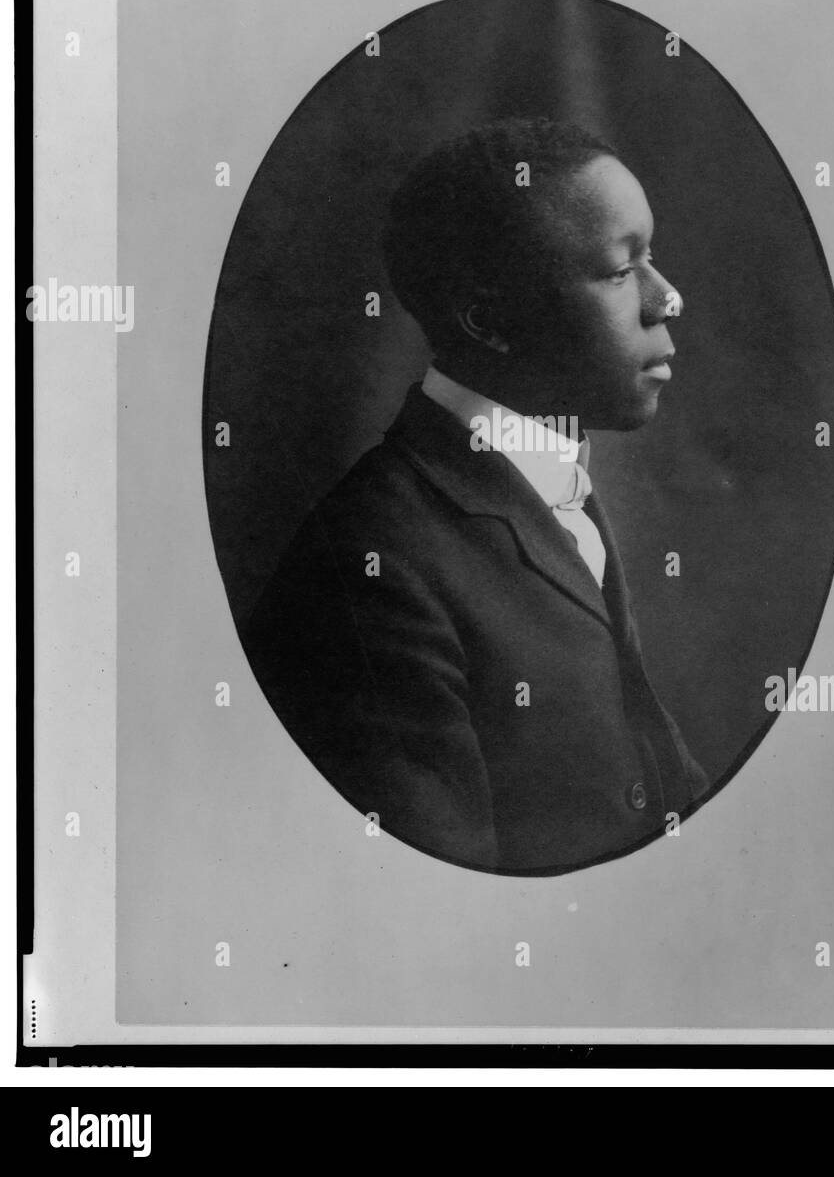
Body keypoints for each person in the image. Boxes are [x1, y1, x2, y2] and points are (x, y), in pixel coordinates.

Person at [245, 116, 709, 874]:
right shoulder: (373, 567)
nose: (668, 297)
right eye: (622, 272)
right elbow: (431, 905)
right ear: (491, 323)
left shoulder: (548, 482)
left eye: (649, 259)